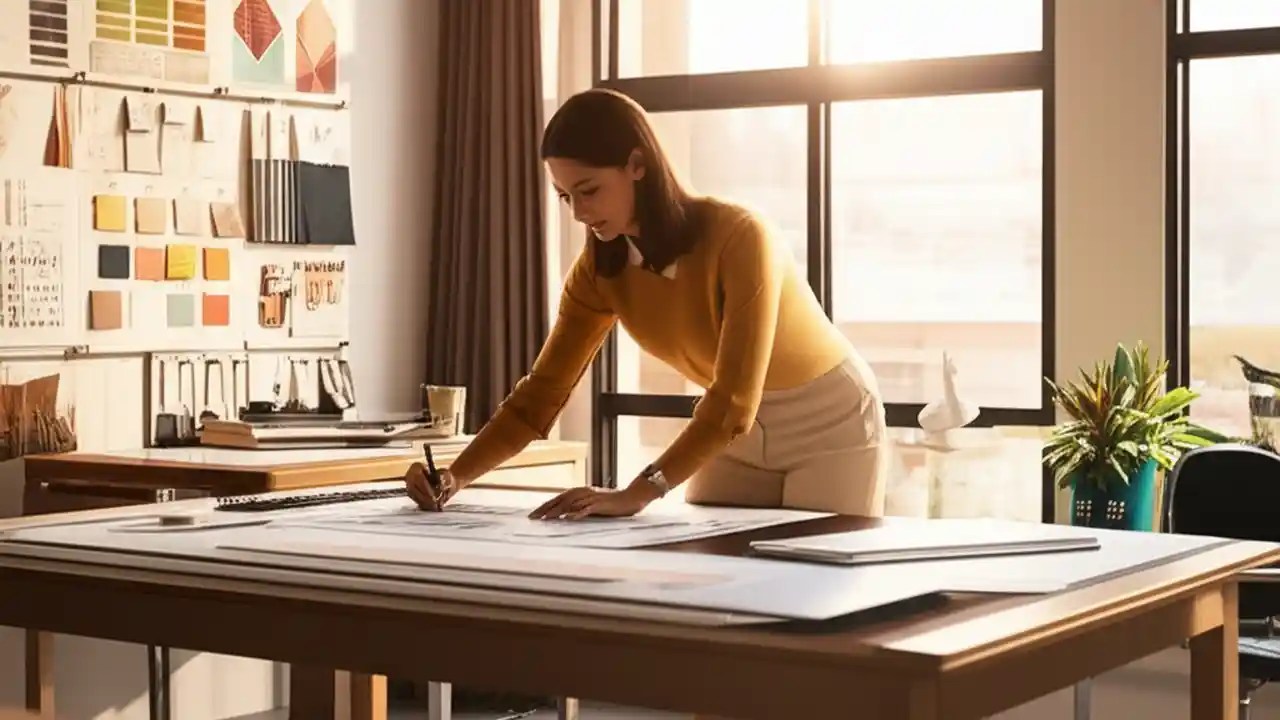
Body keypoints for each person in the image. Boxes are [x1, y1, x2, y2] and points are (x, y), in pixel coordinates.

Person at [405, 87, 887, 521]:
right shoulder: (598, 273)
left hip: (828, 422)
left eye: (588, 190)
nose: (578, 212)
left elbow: (734, 403)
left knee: (817, 590)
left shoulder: (740, 236)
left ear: (638, 165)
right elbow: (539, 398)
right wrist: (454, 478)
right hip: (729, 436)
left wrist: (637, 492)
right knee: (713, 581)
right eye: (564, 196)